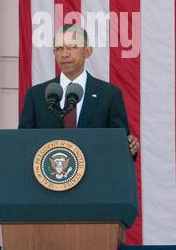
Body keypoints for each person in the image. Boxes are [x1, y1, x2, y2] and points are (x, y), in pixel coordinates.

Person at [19, 23, 139, 158]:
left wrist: (130, 146)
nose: (64, 54)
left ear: (88, 51)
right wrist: (5, 150)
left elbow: (121, 146)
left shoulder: (109, 94)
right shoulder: (36, 95)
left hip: (95, 176)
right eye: (59, 49)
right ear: (54, 53)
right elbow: (23, 143)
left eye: (72, 47)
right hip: (50, 174)